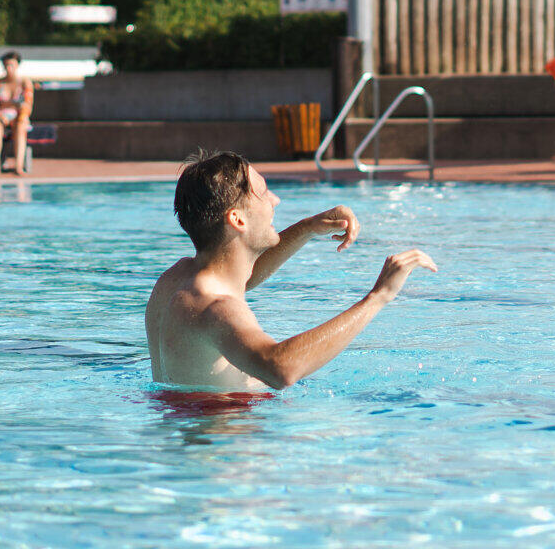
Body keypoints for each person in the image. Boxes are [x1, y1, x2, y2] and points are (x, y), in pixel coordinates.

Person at [145, 149, 435, 392]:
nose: (275, 200)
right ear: (237, 219)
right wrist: (378, 296)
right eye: (263, 193)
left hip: (192, 442)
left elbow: (240, 276)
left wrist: (308, 228)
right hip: (225, 450)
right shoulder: (217, 309)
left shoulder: (176, 280)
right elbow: (280, 369)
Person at [0, 50, 36, 176]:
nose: (9, 69)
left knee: (21, 126)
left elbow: (28, 105)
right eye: (7, 65)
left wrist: (19, 114)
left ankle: (19, 166)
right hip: (2, 115)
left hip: (19, 115)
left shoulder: (25, 82)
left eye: (12, 65)